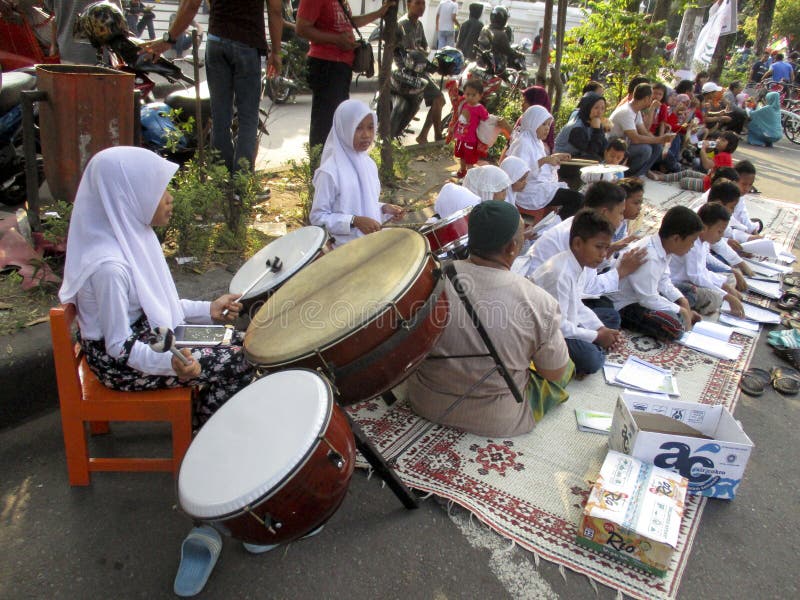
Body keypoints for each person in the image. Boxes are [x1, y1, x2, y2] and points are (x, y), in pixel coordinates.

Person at [59, 146, 254, 425]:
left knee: (244, 342)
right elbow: (119, 347)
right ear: (128, 196)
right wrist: (171, 364)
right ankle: (203, 432)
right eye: (159, 191)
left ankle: (208, 412)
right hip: (121, 364)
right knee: (241, 361)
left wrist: (209, 309)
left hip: (152, 336)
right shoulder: (109, 268)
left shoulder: (132, 236)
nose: (169, 199)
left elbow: (157, 304)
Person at [407, 200, 572, 436]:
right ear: (512, 248)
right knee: (566, 366)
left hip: (425, 401)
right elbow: (554, 374)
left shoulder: (427, 280)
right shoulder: (540, 302)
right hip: (497, 418)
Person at [144, 0, 283, 176]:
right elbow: (275, 10)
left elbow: (191, 5)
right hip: (248, 45)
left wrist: (170, 39)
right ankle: (241, 184)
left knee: (220, 118)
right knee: (247, 119)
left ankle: (222, 180)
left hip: (217, 42)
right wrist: (276, 52)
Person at [532, 210, 621, 377]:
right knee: (592, 359)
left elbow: (577, 304)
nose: (603, 255)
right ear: (578, 243)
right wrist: (596, 336)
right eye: (598, 247)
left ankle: (594, 347)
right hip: (546, 332)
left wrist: (600, 329)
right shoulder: (561, 273)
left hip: (565, 320)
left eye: (606, 248)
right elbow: (558, 326)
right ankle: (590, 354)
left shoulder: (577, 264)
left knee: (612, 317)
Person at [296, 0, 393, 151]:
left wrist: (378, 13)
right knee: (325, 124)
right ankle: (320, 167)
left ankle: (335, 164)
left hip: (342, 66)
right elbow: (301, 28)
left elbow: (349, 22)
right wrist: (336, 40)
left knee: (338, 122)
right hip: (326, 64)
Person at [519, 181, 646, 295]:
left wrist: (610, 250)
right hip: (539, 293)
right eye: (620, 213)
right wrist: (621, 272)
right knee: (608, 313)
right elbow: (587, 287)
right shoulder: (582, 233)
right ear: (604, 213)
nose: (622, 218)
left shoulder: (581, 223)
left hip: (559, 290)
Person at [309, 100, 403, 247]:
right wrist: (354, 221)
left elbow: (362, 203)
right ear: (344, 129)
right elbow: (318, 217)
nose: (366, 135)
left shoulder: (369, 164)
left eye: (370, 128)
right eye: (358, 128)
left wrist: (384, 208)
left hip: (373, 243)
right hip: (346, 250)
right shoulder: (330, 171)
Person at [608, 206, 703, 340]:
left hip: (646, 294)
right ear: (676, 239)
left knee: (689, 293)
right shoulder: (649, 256)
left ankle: (684, 314)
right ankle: (683, 317)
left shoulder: (664, 248)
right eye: (692, 241)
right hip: (627, 304)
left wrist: (683, 302)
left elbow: (664, 280)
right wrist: (680, 310)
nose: (692, 246)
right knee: (674, 328)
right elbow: (647, 298)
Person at [669, 201, 745, 317]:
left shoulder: (703, 242)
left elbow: (702, 271)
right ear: (704, 228)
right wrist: (726, 296)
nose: (721, 236)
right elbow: (696, 276)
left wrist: (725, 287)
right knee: (715, 298)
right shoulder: (692, 244)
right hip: (678, 284)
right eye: (719, 232)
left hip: (690, 281)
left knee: (728, 279)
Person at [506, 105, 583, 219]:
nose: (547, 128)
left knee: (576, 197)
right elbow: (520, 175)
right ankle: (555, 226)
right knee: (576, 199)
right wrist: (546, 160)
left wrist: (554, 157)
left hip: (538, 185)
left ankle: (555, 223)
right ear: (533, 123)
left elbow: (538, 163)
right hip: (528, 189)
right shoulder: (522, 143)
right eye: (543, 124)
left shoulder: (536, 142)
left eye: (548, 124)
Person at [396, 0, 445, 144]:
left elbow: (425, 48)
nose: (421, 7)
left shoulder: (419, 24)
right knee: (439, 98)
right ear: (408, 4)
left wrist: (428, 55)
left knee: (439, 99)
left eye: (423, 3)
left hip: (418, 69)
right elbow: (412, 51)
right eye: (417, 3)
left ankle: (424, 135)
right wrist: (423, 52)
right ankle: (436, 135)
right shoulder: (404, 24)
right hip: (407, 70)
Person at [608, 83, 675, 177]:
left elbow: (644, 131)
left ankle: (640, 174)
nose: (652, 100)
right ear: (646, 98)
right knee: (645, 149)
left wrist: (661, 141)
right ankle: (628, 176)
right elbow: (636, 138)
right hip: (614, 145)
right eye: (651, 98)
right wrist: (660, 139)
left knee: (657, 147)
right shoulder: (626, 112)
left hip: (625, 143)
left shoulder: (636, 111)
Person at [655, 130, 739, 190]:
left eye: (723, 140)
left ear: (730, 146)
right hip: (709, 179)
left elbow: (706, 165)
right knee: (687, 172)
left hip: (711, 185)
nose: (718, 141)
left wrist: (703, 149)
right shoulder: (723, 154)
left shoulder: (724, 155)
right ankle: (662, 177)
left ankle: (662, 177)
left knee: (684, 181)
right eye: (719, 138)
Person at [553, 92, 608, 161]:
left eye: (602, 109)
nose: (599, 112)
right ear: (587, 108)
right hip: (561, 162)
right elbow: (592, 152)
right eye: (596, 108)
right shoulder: (576, 128)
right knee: (595, 159)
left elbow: (604, 148)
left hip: (577, 157)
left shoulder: (593, 122)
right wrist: (597, 130)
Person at [452, 79, 489, 177]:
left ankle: (469, 178)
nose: (470, 97)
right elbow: (459, 118)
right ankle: (462, 171)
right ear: (464, 93)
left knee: (469, 160)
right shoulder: (464, 104)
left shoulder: (480, 108)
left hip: (471, 140)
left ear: (480, 96)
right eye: (467, 94)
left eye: (473, 95)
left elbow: (486, 118)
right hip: (461, 137)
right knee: (461, 156)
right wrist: (453, 130)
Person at [733, 160, 762, 233]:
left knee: (758, 223)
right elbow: (727, 224)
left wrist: (753, 231)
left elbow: (743, 215)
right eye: (744, 184)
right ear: (734, 180)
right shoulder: (725, 194)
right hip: (722, 228)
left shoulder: (739, 195)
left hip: (734, 226)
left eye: (750, 185)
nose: (747, 189)